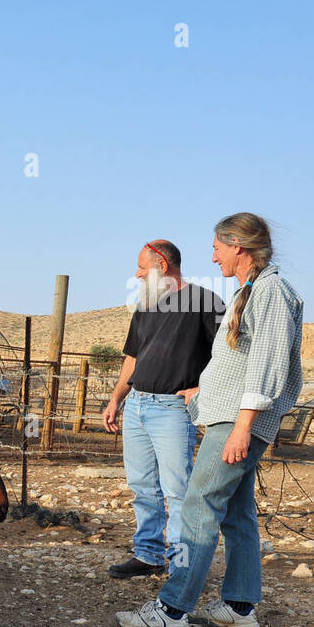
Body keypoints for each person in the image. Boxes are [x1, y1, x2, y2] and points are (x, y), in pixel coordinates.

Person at [116, 213, 303, 627]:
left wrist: (243, 425)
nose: (213, 255)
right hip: (227, 414)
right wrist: (204, 392)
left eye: (218, 247)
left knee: (198, 506)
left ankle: (172, 608)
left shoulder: (271, 292)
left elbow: (266, 364)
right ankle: (239, 604)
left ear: (238, 245)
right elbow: (236, 361)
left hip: (237, 422)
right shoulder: (250, 291)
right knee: (237, 513)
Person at [103, 240, 224, 578]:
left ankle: (182, 564)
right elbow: (133, 356)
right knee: (142, 486)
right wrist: (117, 398)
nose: (137, 274)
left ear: (162, 264)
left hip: (172, 408)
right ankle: (148, 556)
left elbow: (230, 353)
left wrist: (202, 388)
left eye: (142, 267)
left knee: (178, 489)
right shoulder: (145, 304)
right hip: (137, 404)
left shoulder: (204, 301)